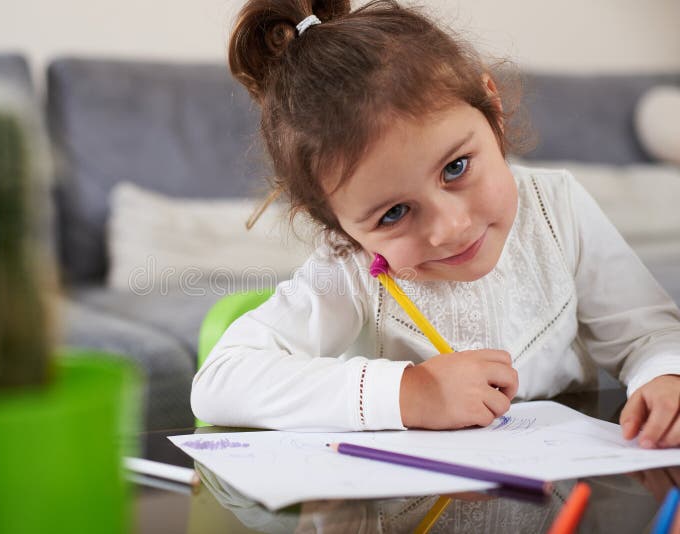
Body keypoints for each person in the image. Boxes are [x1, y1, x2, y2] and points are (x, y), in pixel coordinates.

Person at [190, 0, 680, 448]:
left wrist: (665, 378)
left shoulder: (559, 209)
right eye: (394, 214)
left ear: (493, 110)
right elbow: (220, 381)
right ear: (340, 228)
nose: (450, 227)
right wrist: (411, 392)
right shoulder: (352, 269)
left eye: (456, 167)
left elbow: (646, 336)